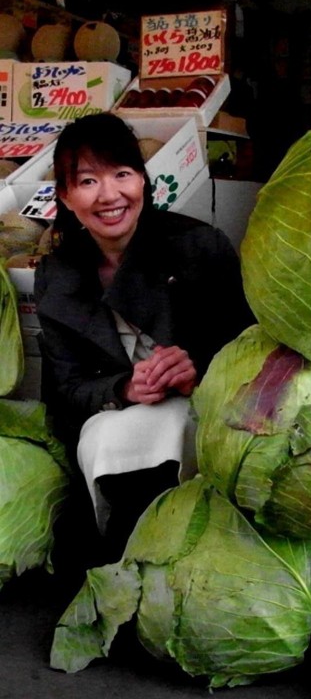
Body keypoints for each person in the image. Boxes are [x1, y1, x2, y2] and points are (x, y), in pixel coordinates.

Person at [34, 111, 255, 564]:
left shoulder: (200, 247)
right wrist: (124, 388)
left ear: (143, 181)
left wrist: (199, 371)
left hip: (211, 412)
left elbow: (251, 349)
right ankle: (127, 560)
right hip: (116, 419)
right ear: (65, 196)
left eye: (122, 174)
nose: (110, 194)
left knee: (177, 431)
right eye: (88, 181)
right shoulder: (57, 274)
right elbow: (65, 388)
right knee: (107, 439)